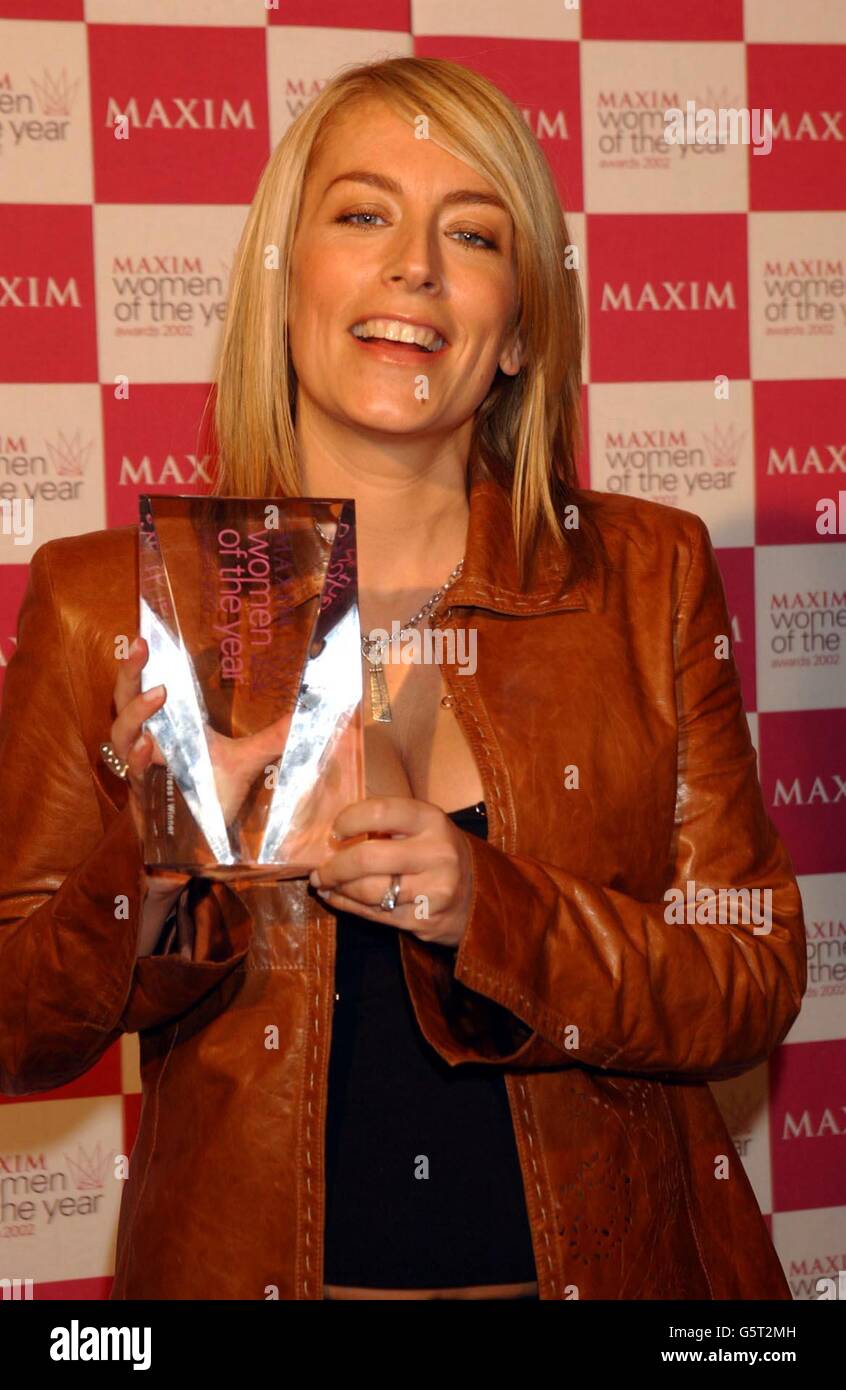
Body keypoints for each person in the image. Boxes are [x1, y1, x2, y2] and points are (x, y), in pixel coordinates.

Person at [0, 56, 806, 1302]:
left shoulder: (648, 576)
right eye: (363, 213)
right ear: (283, 286)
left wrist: (489, 907)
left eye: (472, 233)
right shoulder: (107, 601)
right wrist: (149, 865)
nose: (414, 267)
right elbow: (15, 1022)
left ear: (523, 325)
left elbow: (749, 979)